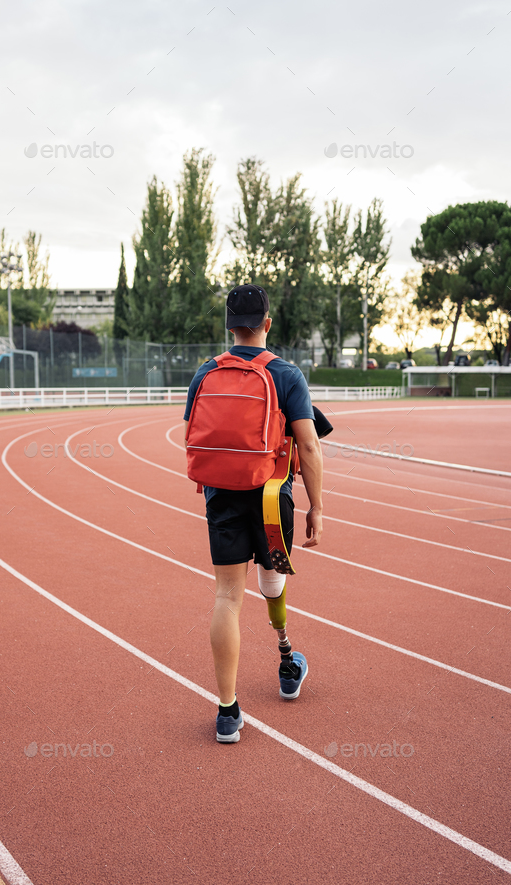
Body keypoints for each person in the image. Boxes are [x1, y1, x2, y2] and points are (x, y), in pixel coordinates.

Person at [183, 284, 326, 743]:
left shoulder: (204, 373)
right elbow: (308, 444)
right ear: (268, 323)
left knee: (227, 596)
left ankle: (227, 712)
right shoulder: (286, 375)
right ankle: (286, 658)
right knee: (275, 574)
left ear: (228, 325)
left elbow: (194, 434)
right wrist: (317, 506)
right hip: (271, 498)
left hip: (220, 495)